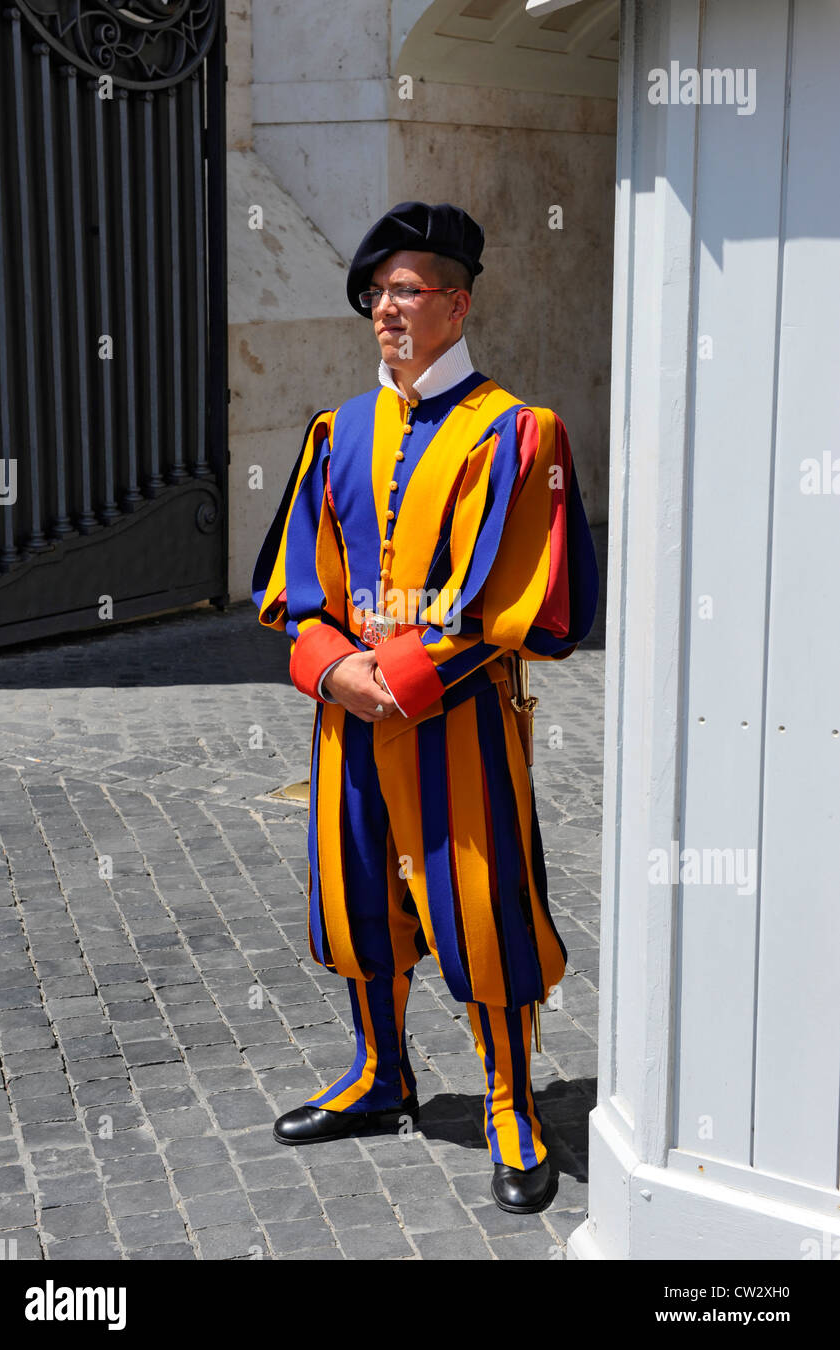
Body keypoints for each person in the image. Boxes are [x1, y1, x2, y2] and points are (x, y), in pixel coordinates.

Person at [250, 201, 599, 1214]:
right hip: (348, 723)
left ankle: (510, 1103)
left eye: (405, 292)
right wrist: (329, 667)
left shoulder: (518, 432)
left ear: (458, 302)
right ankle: (379, 1073)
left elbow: (515, 600)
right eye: (376, 295)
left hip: (458, 724)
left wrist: (389, 680)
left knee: (483, 909)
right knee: (358, 898)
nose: (385, 313)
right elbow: (297, 587)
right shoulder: (337, 430)